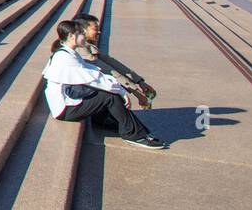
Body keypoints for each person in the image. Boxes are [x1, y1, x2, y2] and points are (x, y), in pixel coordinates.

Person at [41, 21, 166, 149]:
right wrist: (121, 92)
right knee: (110, 95)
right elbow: (94, 79)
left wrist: (121, 88)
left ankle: (104, 120)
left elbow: (94, 72)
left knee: (107, 90)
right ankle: (133, 135)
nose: (85, 36)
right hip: (65, 110)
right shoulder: (64, 57)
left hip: (70, 102)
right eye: (82, 33)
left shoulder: (68, 53)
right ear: (73, 36)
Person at [72, 14, 158, 108]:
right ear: (83, 30)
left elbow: (112, 63)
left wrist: (140, 82)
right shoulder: (80, 49)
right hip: (78, 97)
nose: (99, 32)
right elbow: (108, 71)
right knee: (115, 96)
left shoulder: (87, 46)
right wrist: (136, 92)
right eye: (95, 29)